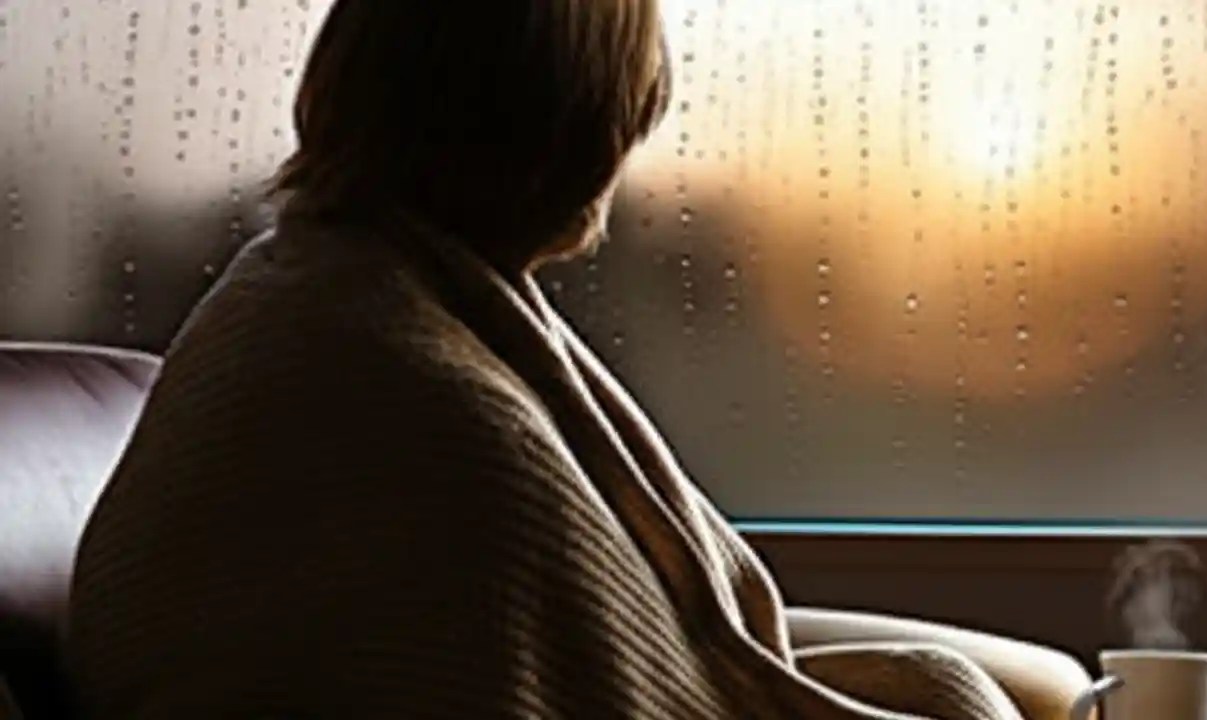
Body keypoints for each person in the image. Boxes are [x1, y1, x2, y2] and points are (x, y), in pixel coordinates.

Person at [68, 1, 1090, 718]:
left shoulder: (327, 288)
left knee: (1014, 684)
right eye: (624, 112)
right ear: (554, 126)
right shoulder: (420, 403)